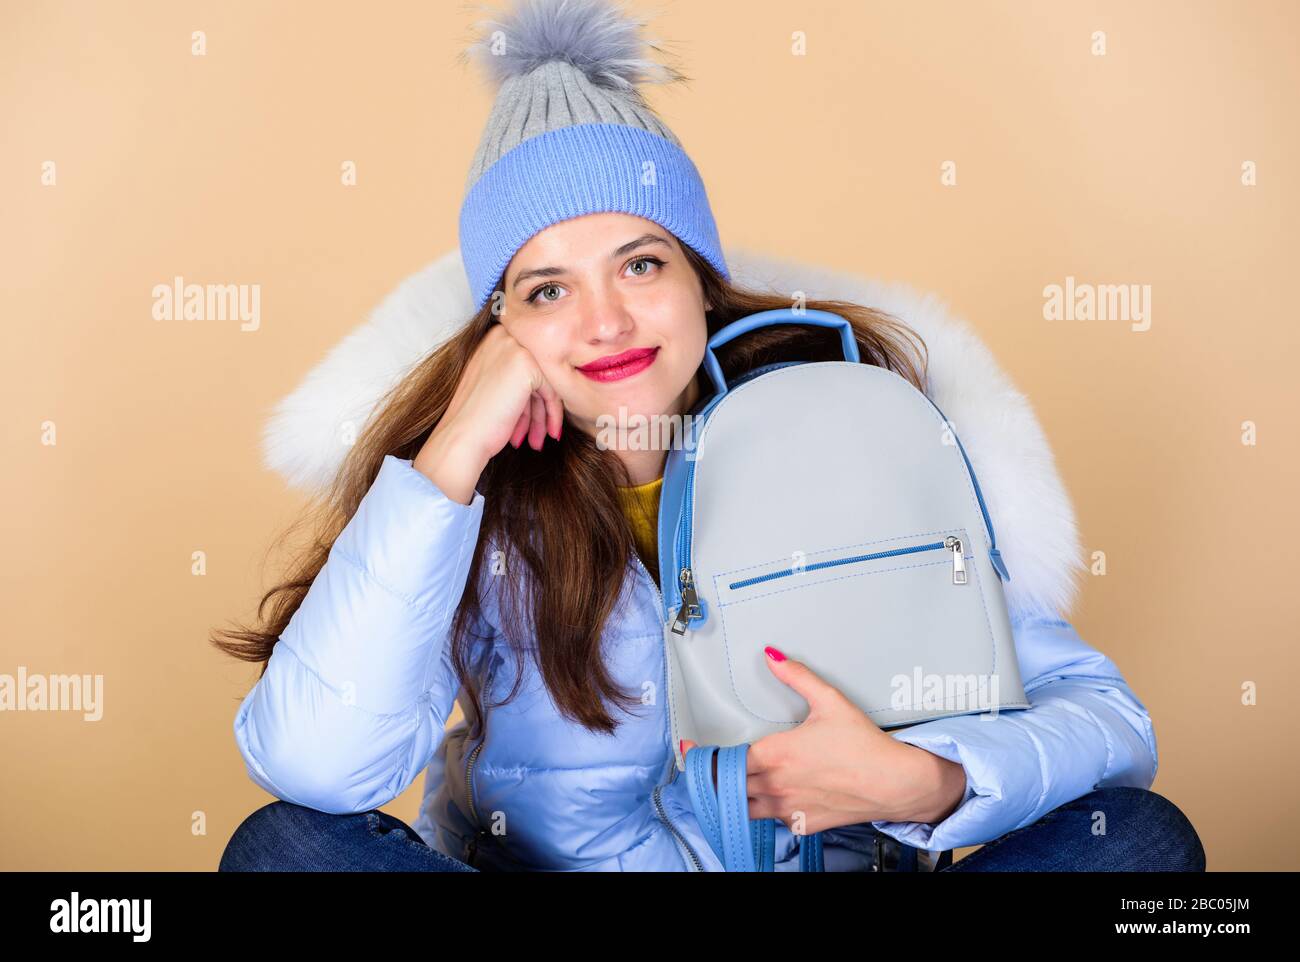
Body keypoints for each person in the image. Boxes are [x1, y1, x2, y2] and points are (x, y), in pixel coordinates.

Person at [215, 0, 1204, 872]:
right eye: (546, 287)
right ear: (497, 325)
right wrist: (446, 462)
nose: (603, 321)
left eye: (639, 264)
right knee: (284, 848)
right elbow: (313, 765)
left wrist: (927, 782)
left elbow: (1108, 721)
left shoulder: (847, 431)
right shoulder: (474, 505)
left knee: (1140, 836)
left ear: (699, 278)